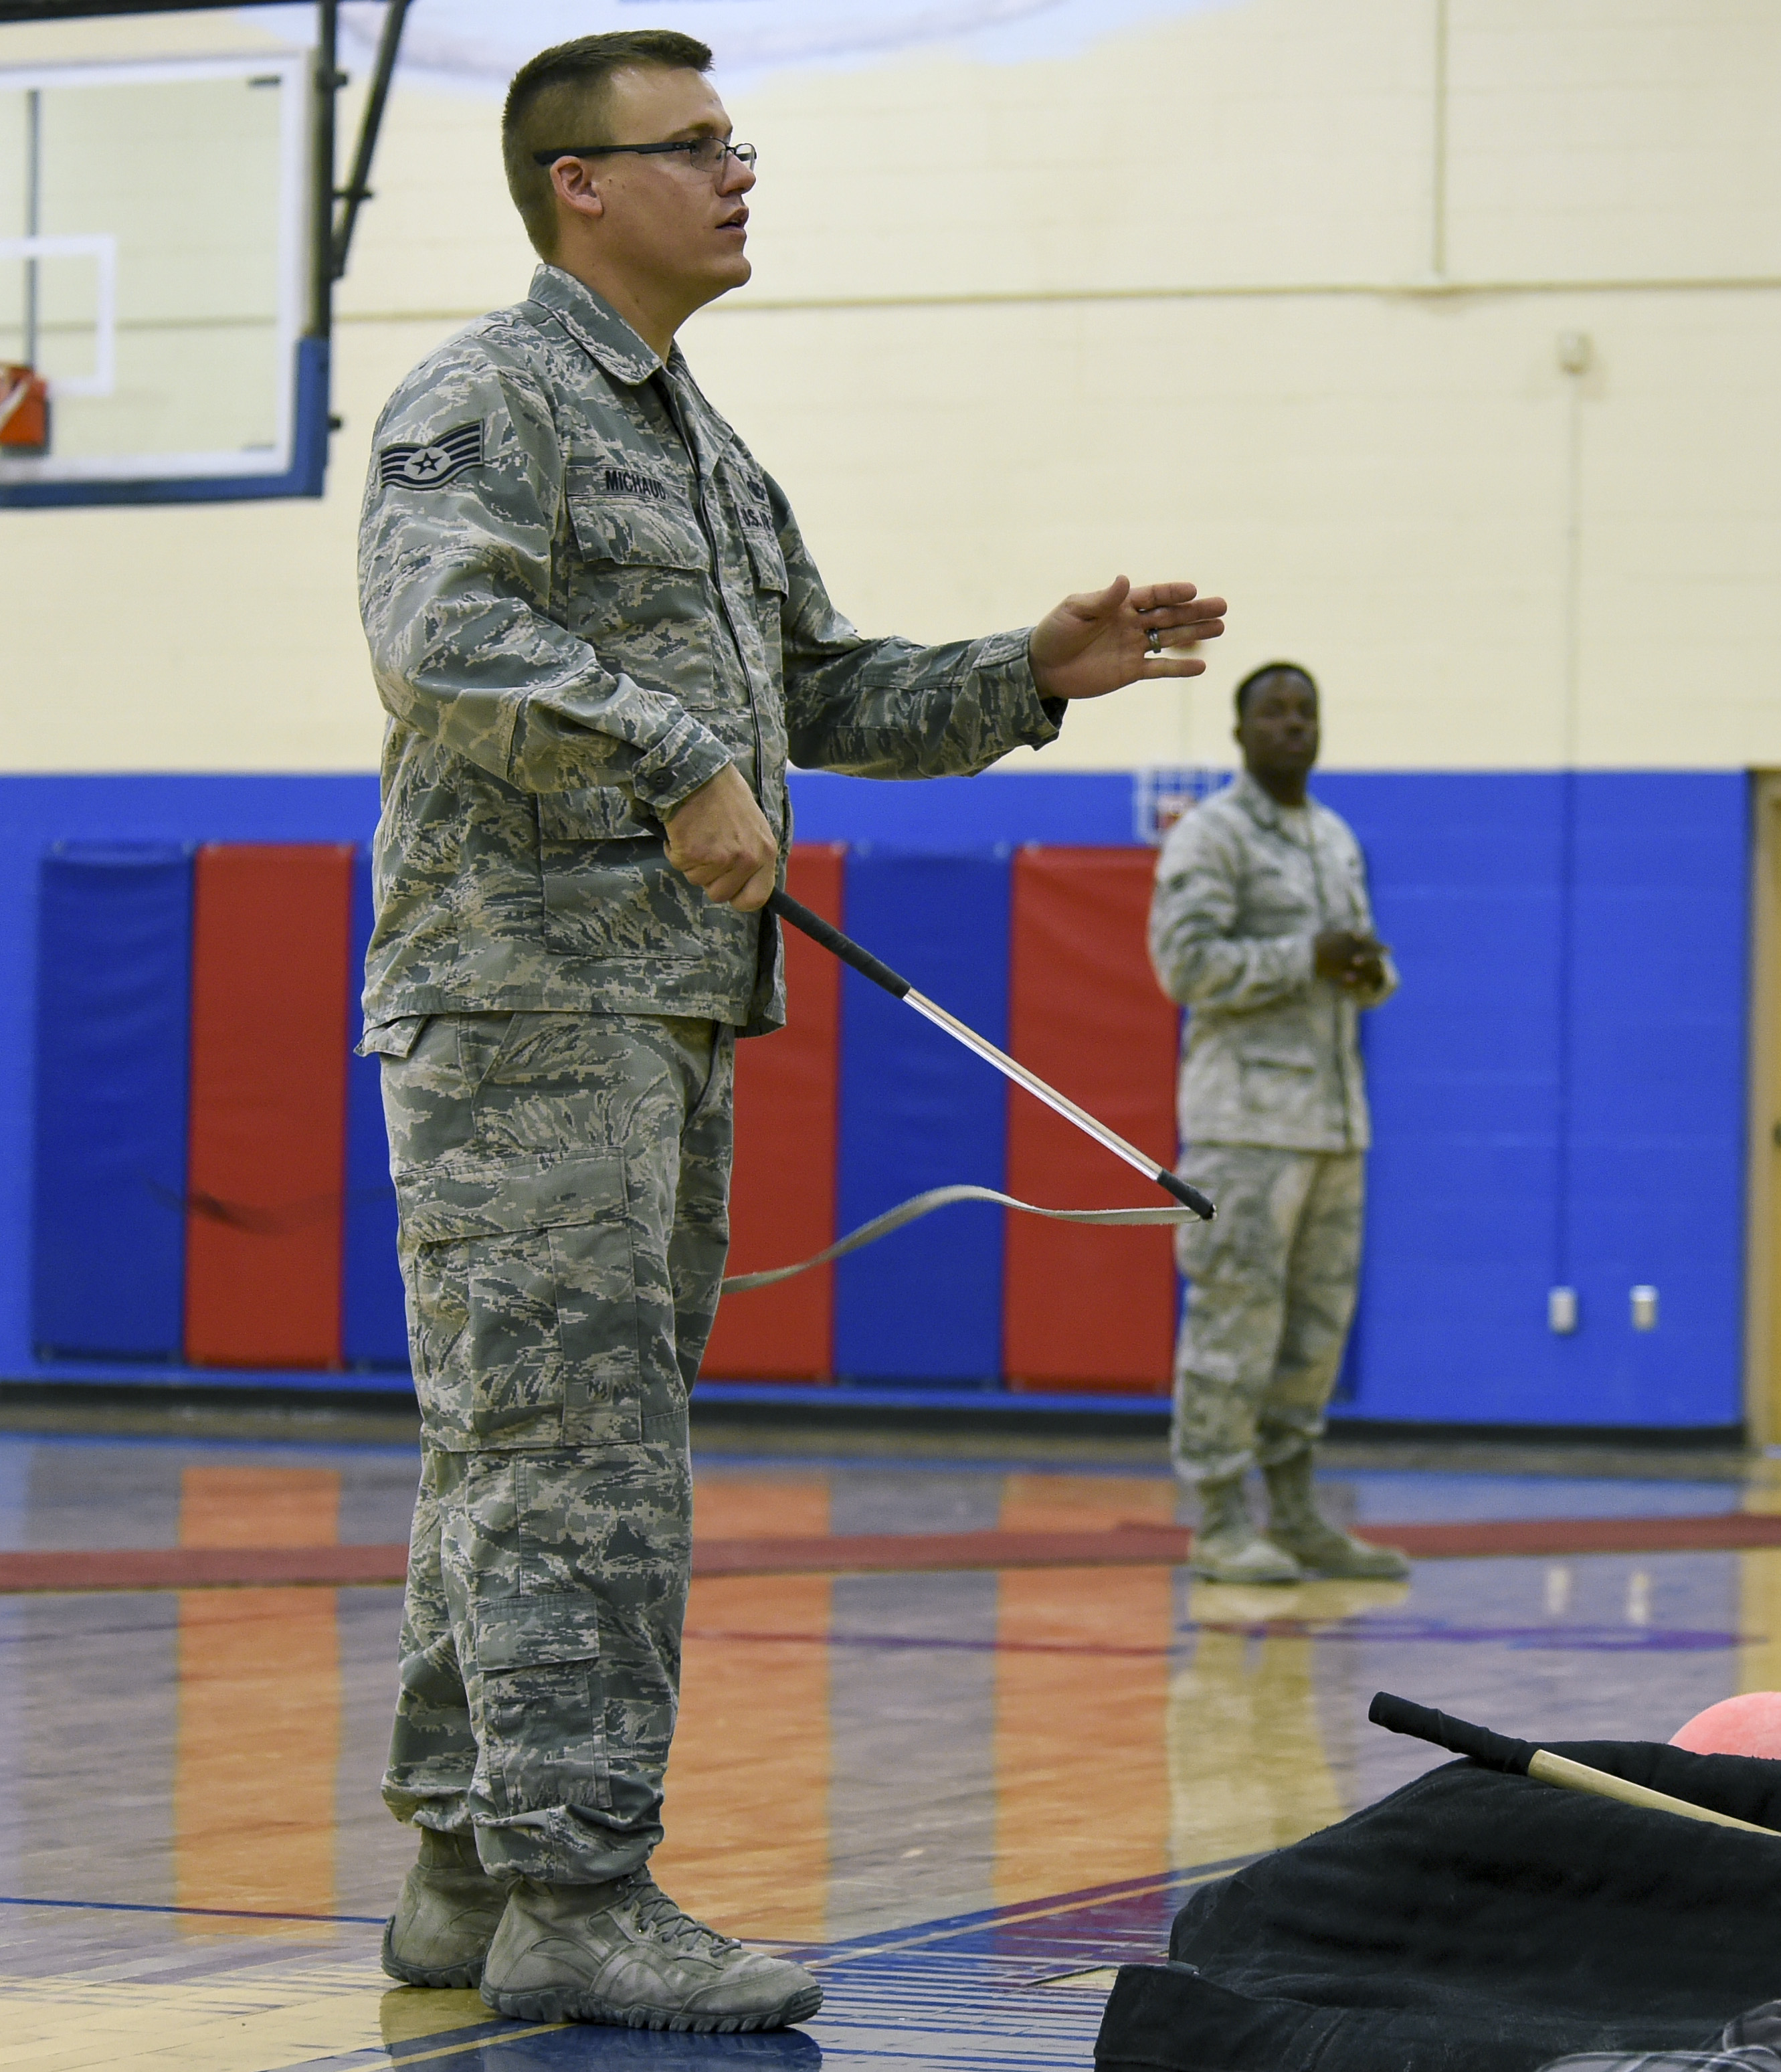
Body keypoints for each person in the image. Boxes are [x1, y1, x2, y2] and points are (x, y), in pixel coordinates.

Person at [355, 29, 1225, 2035]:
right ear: (580, 183)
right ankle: (579, 1894)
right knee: (578, 1456)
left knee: (528, 1448)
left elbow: (813, 687)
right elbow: (439, 634)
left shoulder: (698, 441)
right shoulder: (487, 398)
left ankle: (470, 1879)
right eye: (696, 147)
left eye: (738, 141)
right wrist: (667, 756)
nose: (739, 175)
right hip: (528, 997)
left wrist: (1027, 669)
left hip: (651, 1009)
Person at [1148, 663, 1408, 1586]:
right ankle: (1219, 1520)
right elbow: (1184, 965)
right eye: (1275, 712)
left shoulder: (1332, 837)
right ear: (1240, 730)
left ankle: (1295, 1512)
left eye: (1307, 712)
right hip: (1245, 1127)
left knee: (1315, 1331)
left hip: (1334, 1124)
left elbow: (1359, 962)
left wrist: (1366, 970)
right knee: (1236, 1322)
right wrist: (1304, 956)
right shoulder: (1211, 837)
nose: (1293, 727)